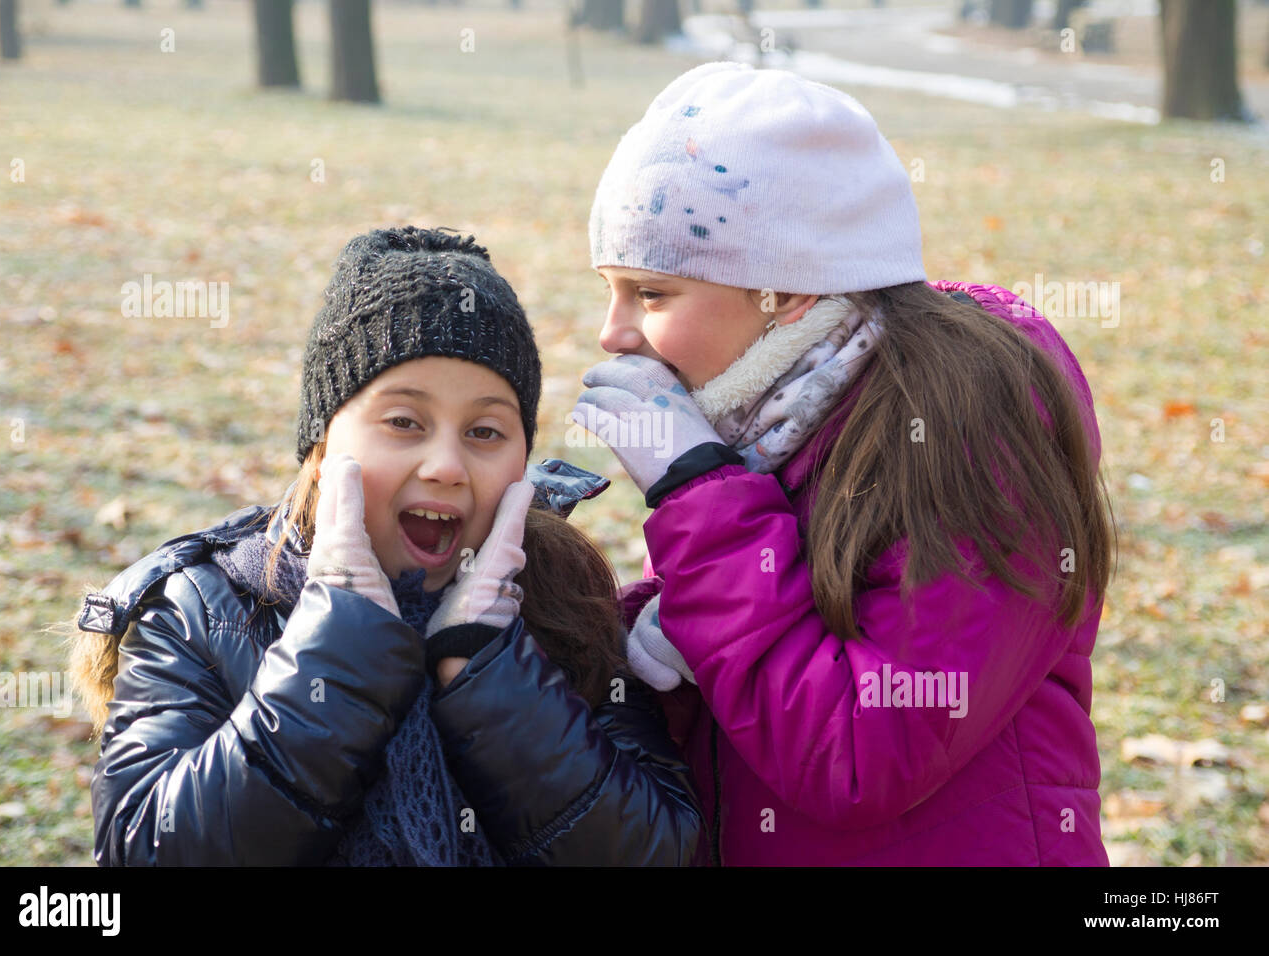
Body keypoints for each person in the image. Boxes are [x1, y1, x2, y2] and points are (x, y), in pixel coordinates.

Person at [572, 61, 1115, 865]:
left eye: (650, 295)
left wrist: (699, 492)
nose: (612, 333)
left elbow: (860, 756)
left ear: (786, 293)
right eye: (611, 289)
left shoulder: (974, 425)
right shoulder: (780, 412)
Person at [68, 226, 705, 866]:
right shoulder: (202, 611)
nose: (446, 465)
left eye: (486, 430)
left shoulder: (563, 599)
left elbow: (661, 850)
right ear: (321, 449)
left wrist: (487, 671)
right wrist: (340, 652)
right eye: (404, 422)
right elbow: (142, 851)